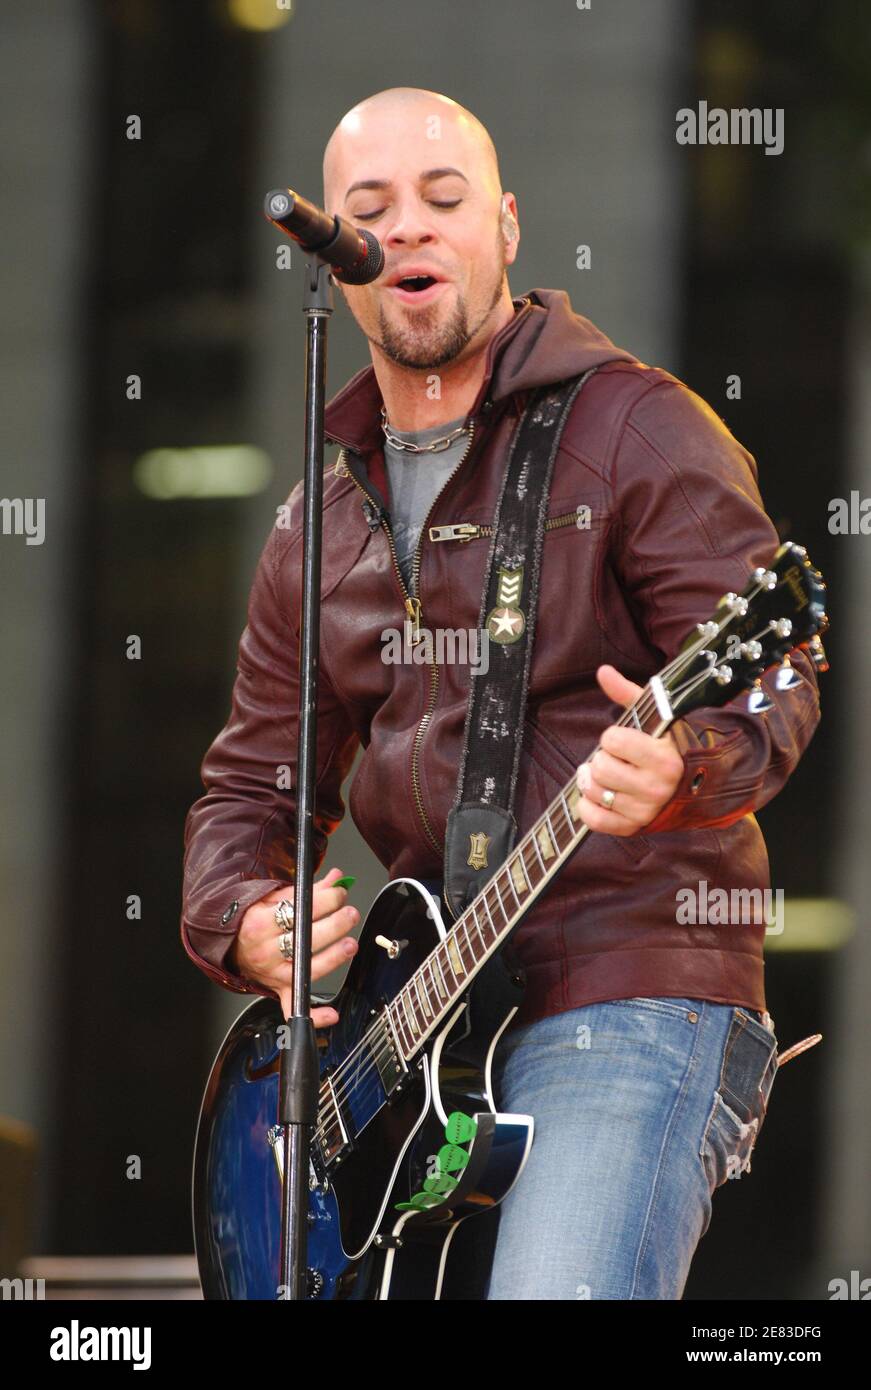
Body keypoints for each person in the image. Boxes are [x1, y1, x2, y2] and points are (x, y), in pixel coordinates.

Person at [181, 87, 821, 1299]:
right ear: (338, 257)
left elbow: (776, 680)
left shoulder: (638, 425)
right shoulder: (315, 528)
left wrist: (683, 766)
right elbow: (246, 791)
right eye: (369, 211)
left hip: (631, 983)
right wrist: (244, 921)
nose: (407, 230)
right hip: (413, 1036)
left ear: (507, 225)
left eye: (443, 199)